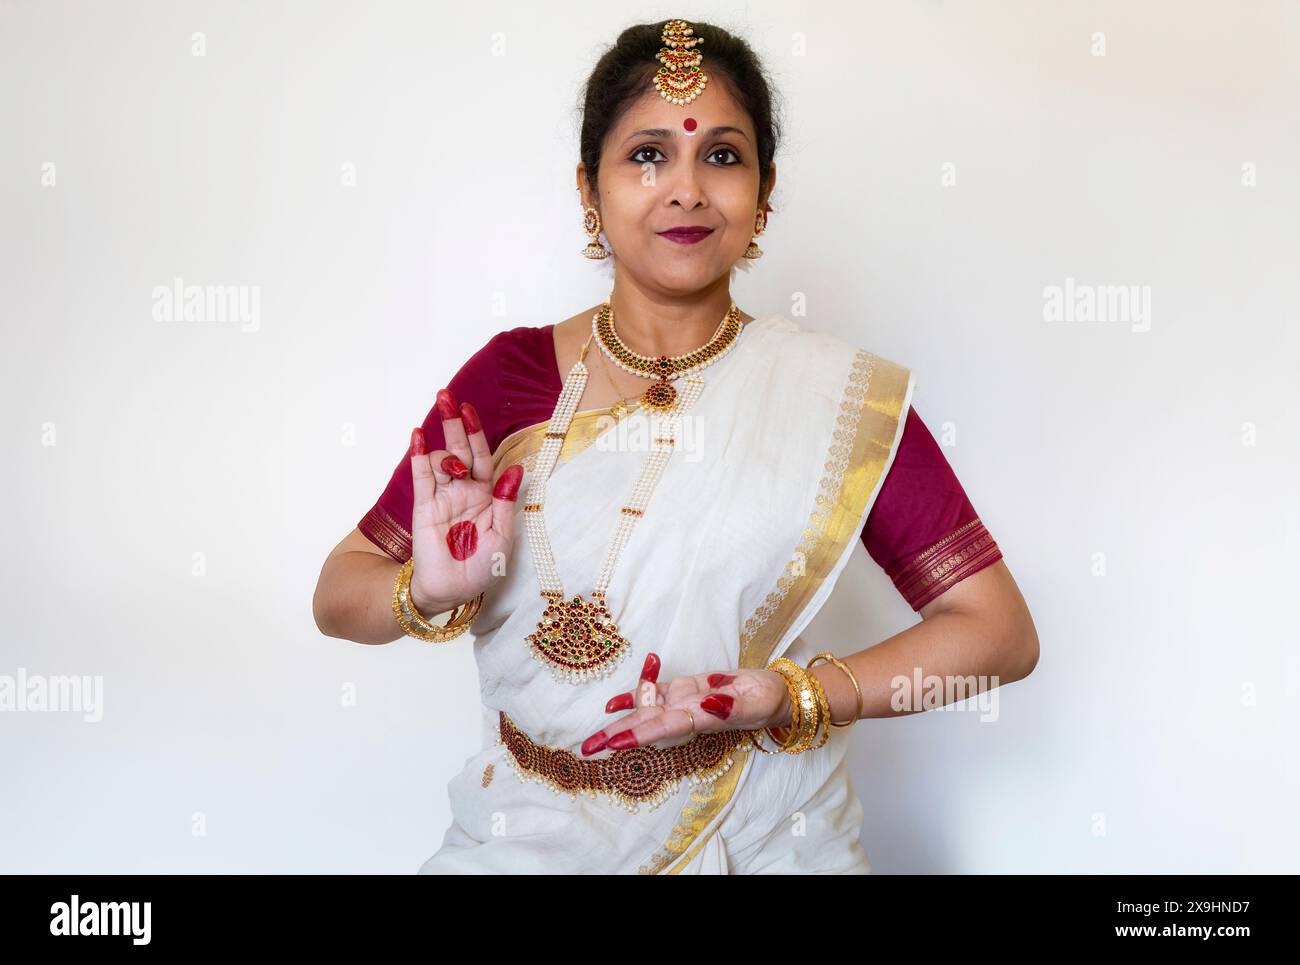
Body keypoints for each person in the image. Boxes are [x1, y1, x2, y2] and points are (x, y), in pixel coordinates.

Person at [313, 19, 1039, 874]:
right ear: (590, 189)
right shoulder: (506, 380)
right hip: (519, 839)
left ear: (764, 195)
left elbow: (999, 634)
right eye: (647, 154)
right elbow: (337, 595)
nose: (687, 188)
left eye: (724, 157)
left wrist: (794, 696)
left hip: (764, 834)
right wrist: (424, 589)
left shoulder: (833, 398)